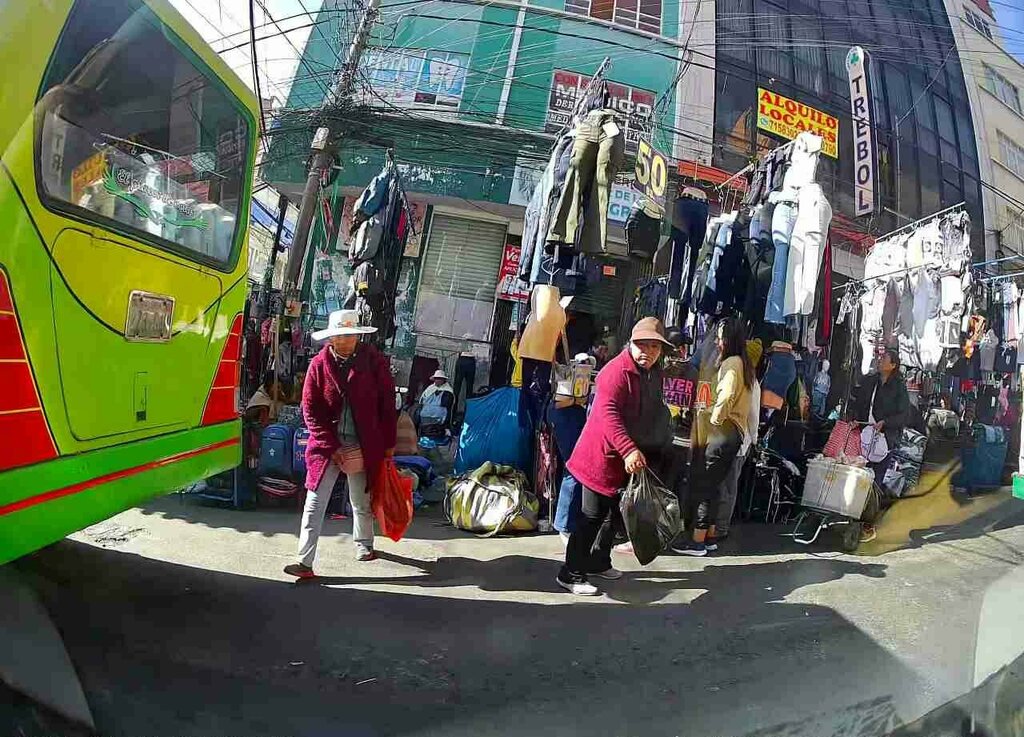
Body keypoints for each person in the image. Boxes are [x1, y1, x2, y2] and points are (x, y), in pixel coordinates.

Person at [556, 317, 674, 596]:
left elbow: (656, 409)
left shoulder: (653, 373)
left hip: (627, 460)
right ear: (630, 344)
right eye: (642, 344)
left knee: (615, 516)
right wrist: (628, 448)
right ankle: (570, 571)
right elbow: (607, 415)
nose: (648, 351)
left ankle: (598, 560)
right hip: (601, 458)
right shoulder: (615, 372)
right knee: (591, 516)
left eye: (655, 346)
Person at [284, 309, 397, 579]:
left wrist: (388, 443)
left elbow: (387, 404)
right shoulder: (319, 365)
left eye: (349, 335)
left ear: (357, 337)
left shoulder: (374, 362)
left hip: (365, 441)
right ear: (330, 339)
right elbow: (310, 409)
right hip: (327, 446)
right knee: (314, 502)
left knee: (360, 499)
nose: (345, 340)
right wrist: (330, 445)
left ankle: (365, 545)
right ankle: (304, 561)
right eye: (339, 336)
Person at [673, 318, 754, 557]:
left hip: (722, 432)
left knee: (702, 484)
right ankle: (707, 537)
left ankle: (696, 542)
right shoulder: (744, 364)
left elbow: (726, 396)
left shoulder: (731, 362)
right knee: (714, 485)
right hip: (733, 434)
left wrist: (714, 420)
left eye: (721, 337)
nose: (717, 342)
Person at [853, 347, 910, 542]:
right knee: (860, 476)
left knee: (875, 481)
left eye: (884, 357)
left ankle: (868, 525)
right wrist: (855, 419)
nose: (880, 359)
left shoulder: (899, 387)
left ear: (893, 365)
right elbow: (860, 402)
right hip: (866, 436)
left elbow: (904, 415)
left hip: (885, 440)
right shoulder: (871, 381)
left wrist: (885, 423)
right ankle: (856, 518)